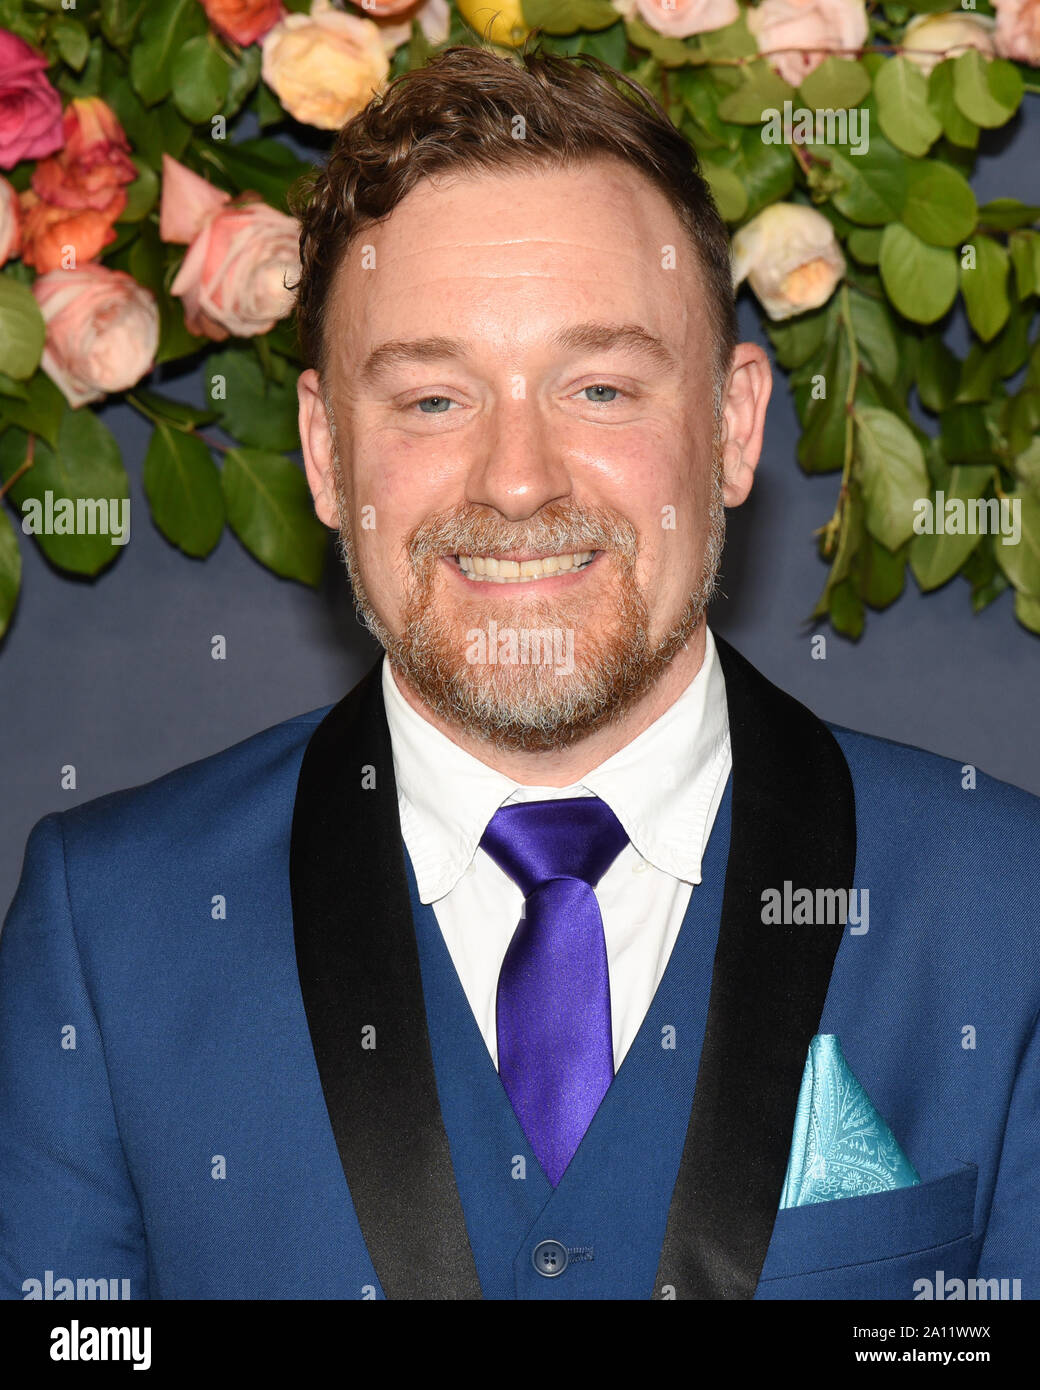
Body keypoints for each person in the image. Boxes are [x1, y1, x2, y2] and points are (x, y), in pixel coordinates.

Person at [1, 45, 1037, 1302]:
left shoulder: (1006, 909)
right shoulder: (107, 930)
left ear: (732, 423)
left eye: (598, 387)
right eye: (434, 400)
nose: (516, 479)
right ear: (325, 456)